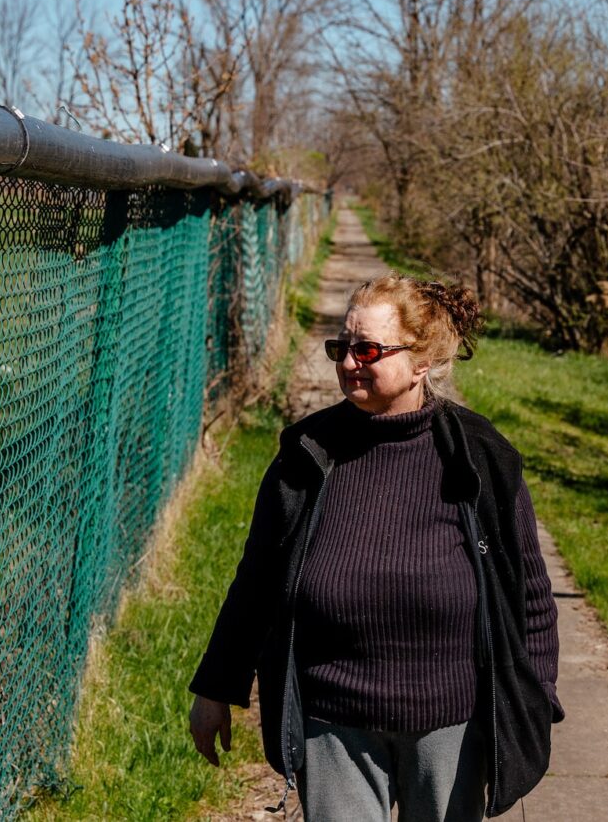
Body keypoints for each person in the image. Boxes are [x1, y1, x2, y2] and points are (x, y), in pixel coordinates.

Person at [188, 275, 563, 821]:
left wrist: (537, 698)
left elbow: (528, 591)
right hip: (333, 715)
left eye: (367, 350)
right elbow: (257, 582)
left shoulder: (480, 456)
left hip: (450, 719)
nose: (348, 364)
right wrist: (216, 687)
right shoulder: (308, 454)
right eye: (341, 348)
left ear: (422, 361)